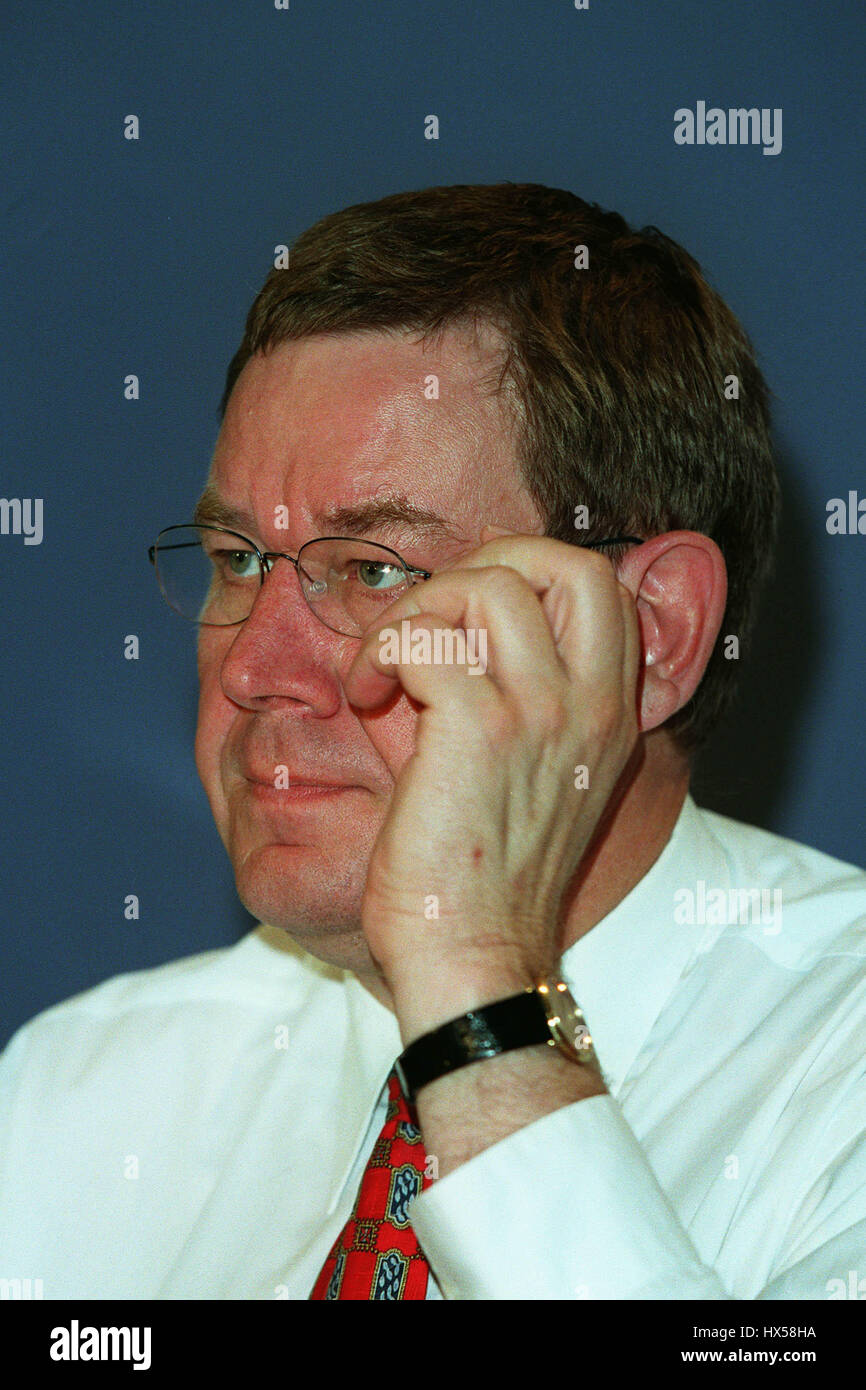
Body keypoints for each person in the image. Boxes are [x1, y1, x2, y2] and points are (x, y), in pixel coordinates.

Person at [1, 183, 864, 1301]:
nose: (256, 668)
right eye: (237, 561)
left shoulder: (834, 1069)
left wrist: (476, 992)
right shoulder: (80, 1095)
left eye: (370, 573)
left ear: (650, 636)